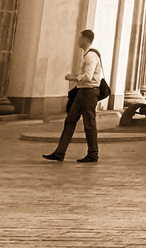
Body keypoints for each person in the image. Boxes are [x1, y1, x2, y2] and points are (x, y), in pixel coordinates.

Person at [43, 29, 102, 163]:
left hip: (88, 92)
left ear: (86, 39)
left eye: (80, 38)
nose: (77, 40)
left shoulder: (90, 56)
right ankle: (59, 153)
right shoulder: (87, 54)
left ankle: (93, 154)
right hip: (83, 92)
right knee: (70, 120)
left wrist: (73, 77)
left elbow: (88, 76)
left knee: (89, 124)